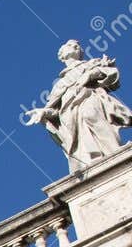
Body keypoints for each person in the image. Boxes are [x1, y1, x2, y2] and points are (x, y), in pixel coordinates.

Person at [25, 40, 132, 172]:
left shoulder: (91, 64)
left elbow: (111, 74)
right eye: (69, 45)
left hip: (89, 98)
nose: (75, 46)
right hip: (70, 117)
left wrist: (91, 74)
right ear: (62, 55)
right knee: (83, 139)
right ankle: (92, 159)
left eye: (77, 46)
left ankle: (113, 149)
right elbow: (56, 111)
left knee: (90, 114)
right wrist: (43, 113)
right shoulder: (59, 84)